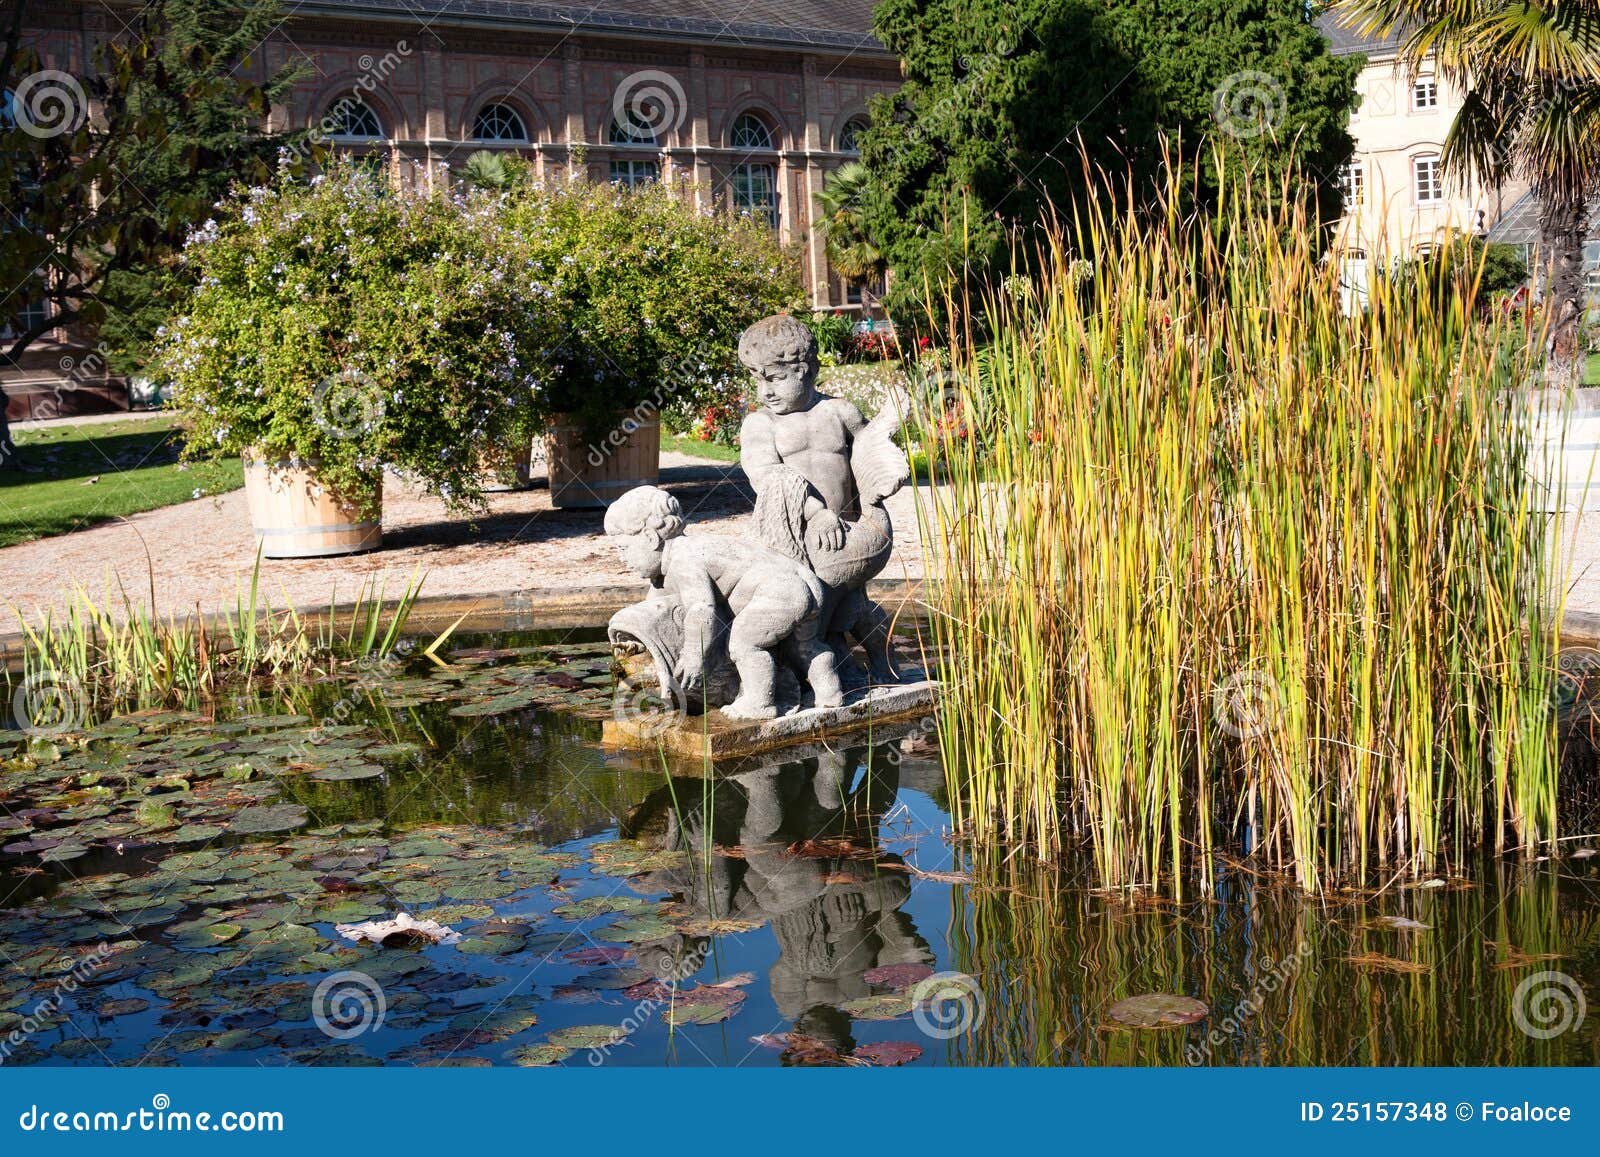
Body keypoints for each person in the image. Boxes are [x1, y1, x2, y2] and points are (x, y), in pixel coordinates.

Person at [604, 485, 844, 719]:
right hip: (806, 585)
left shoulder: (682, 561)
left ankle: (759, 703)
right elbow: (655, 604)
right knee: (805, 646)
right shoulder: (694, 547)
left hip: (779, 591)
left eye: (623, 548)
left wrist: (693, 656)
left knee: (743, 644)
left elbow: (702, 610)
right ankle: (830, 693)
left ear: (649, 538)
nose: (621, 558)